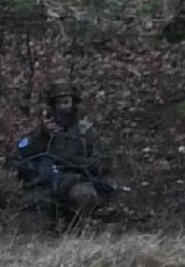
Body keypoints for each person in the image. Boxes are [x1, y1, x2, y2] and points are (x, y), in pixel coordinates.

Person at [13, 90, 116, 222]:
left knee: (83, 195)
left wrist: (78, 165)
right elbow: (21, 153)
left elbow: (103, 161)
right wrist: (44, 134)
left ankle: (80, 227)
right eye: (58, 103)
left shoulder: (86, 132)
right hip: (46, 184)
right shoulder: (40, 132)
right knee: (33, 208)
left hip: (78, 181)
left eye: (66, 102)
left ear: (73, 103)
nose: (62, 107)